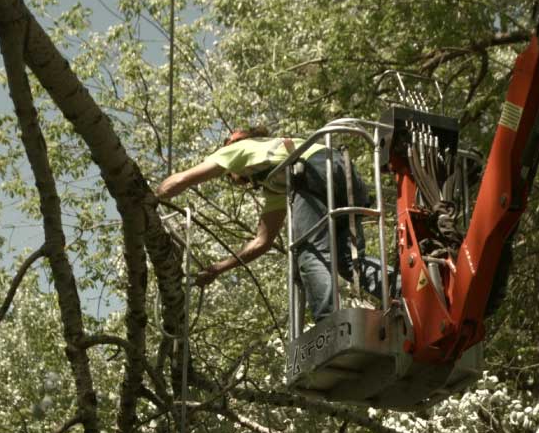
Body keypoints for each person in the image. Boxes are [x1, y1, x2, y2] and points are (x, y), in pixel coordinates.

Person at [155, 126, 384, 321]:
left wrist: (150, 197)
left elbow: (183, 179)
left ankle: (329, 324)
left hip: (314, 172)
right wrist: (218, 268)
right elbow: (261, 242)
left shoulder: (237, 149)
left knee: (311, 253)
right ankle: (401, 287)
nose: (230, 178)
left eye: (228, 175)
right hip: (342, 171)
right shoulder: (276, 176)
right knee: (349, 262)